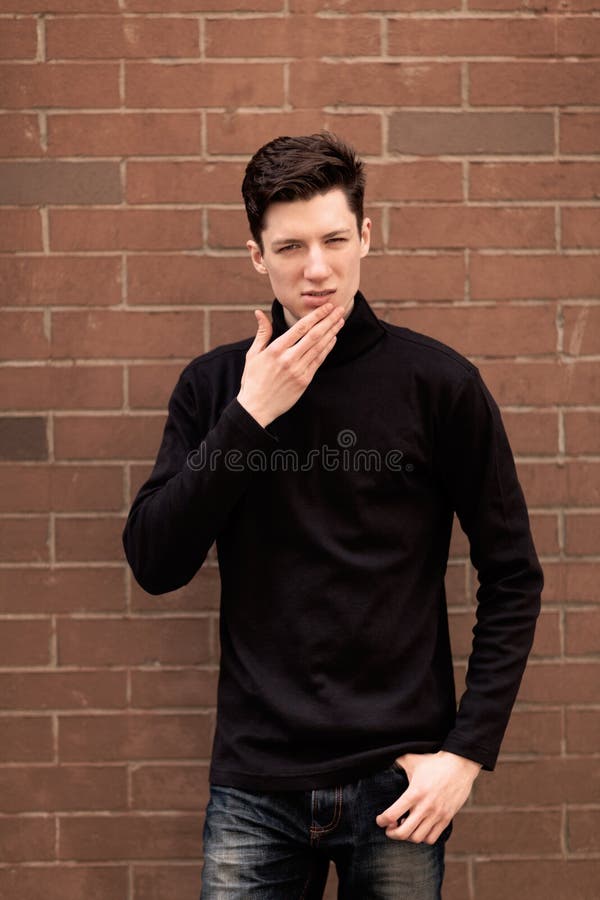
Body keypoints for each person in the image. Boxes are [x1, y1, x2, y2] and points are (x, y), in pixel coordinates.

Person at [122, 132, 543, 899]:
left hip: (398, 785)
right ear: (257, 255)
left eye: (334, 240)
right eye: (290, 247)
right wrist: (250, 416)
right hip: (255, 784)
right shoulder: (215, 388)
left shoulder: (438, 384)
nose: (316, 268)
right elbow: (155, 562)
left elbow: (513, 576)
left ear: (366, 237)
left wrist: (465, 755)